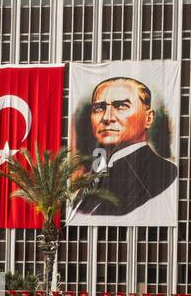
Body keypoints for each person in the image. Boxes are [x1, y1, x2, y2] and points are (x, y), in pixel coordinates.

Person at [72, 76, 178, 219]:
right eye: (99, 108)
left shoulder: (163, 171)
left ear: (149, 118)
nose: (107, 117)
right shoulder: (93, 173)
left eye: (121, 106)